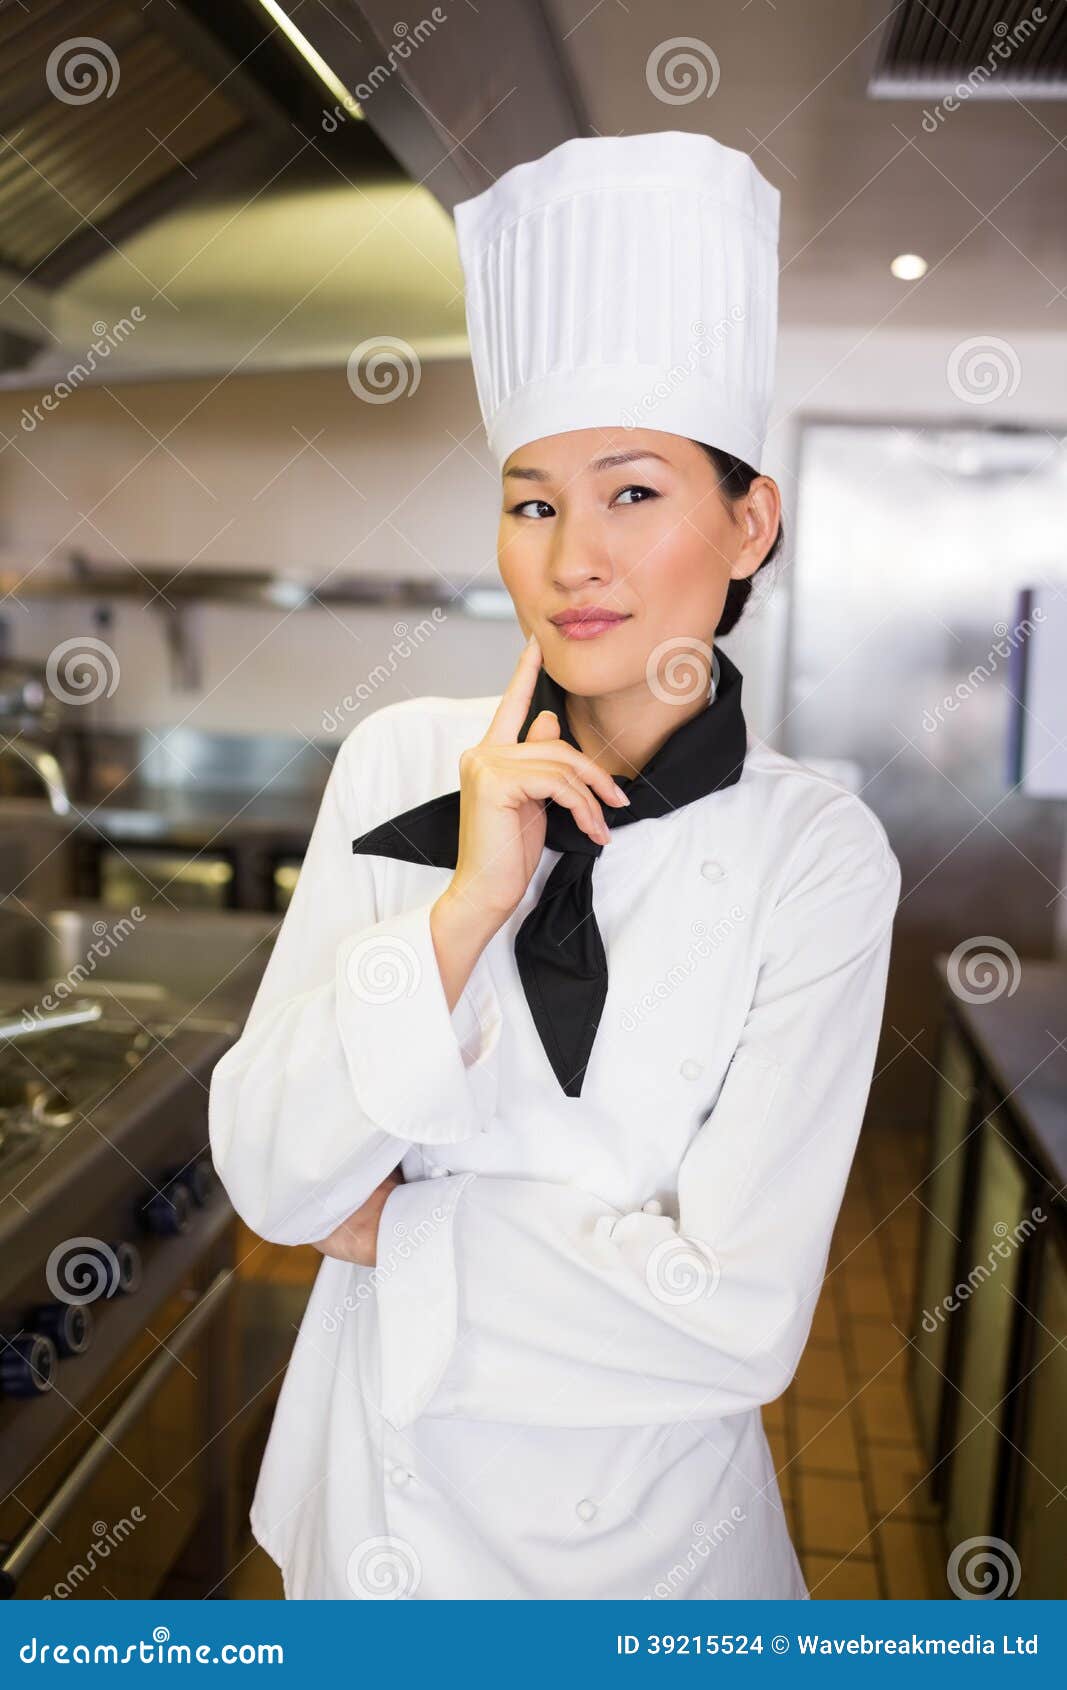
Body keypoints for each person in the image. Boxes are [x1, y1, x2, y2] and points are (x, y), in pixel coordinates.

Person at [208, 130, 901, 1601]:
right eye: (534, 500)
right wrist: (464, 910)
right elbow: (274, 1179)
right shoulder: (401, 764)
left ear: (750, 520)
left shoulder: (816, 858)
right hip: (370, 1548)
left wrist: (402, 1224)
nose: (573, 554)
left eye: (634, 492)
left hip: (656, 1570)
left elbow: (741, 1319)